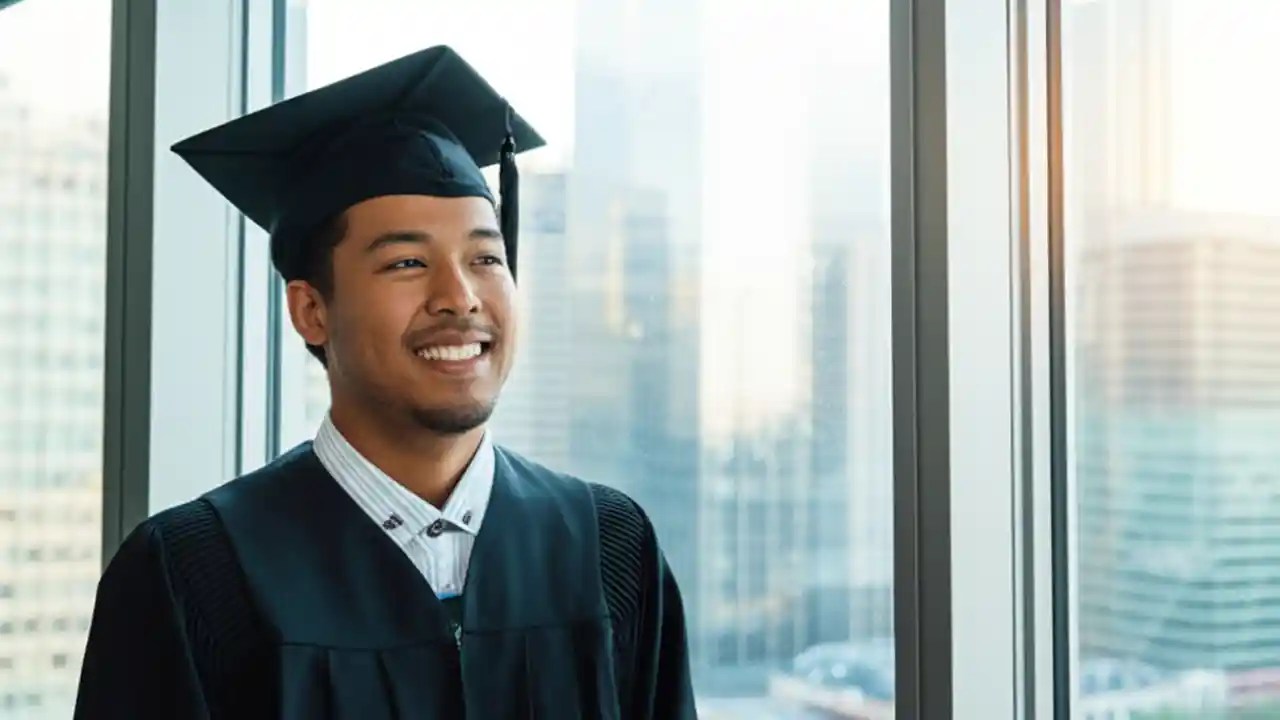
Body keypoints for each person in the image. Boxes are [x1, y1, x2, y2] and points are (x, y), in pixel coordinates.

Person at [73, 45, 696, 719]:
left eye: (485, 256)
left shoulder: (610, 549)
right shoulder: (193, 572)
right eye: (405, 262)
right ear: (312, 311)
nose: (459, 297)